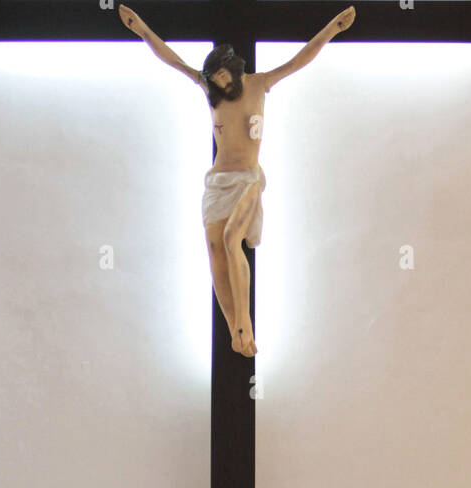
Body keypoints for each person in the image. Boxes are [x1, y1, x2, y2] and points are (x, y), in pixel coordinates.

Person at [118, 5, 356, 356]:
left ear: (233, 69)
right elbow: (171, 58)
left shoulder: (260, 84)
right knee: (215, 251)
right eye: (215, 81)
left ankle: (245, 322)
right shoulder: (207, 89)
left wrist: (332, 29)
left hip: (247, 180)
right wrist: (141, 29)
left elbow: (300, 59)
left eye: (223, 78)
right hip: (217, 184)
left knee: (232, 240)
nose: (221, 85)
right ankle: (236, 332)